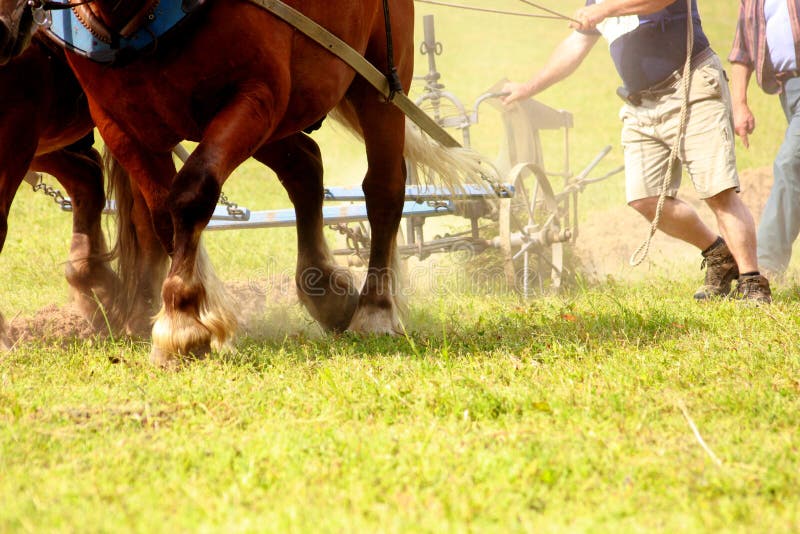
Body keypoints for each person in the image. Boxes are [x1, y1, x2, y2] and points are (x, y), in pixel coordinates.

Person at [503, 0, 772, 303]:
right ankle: (719, 255)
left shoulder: (604, 7)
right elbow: (575, 46)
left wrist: (604, 11)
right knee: (644, 199)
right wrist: (527, 88)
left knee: (717, 192)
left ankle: (752, 283)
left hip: (691, 85)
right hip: (640, 105)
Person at [729, 0, 800, 279]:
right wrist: (739, 104)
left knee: (790, 163)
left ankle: (767, 265)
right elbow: (741, 51)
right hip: (788, 91)